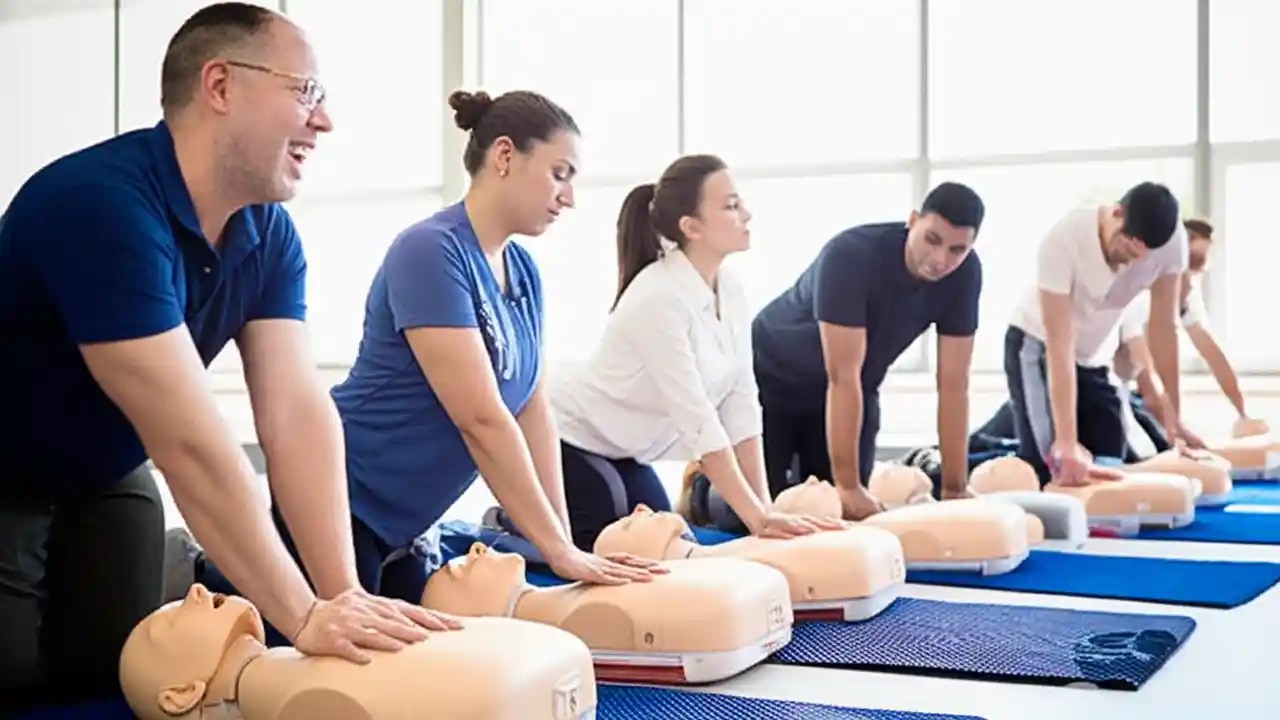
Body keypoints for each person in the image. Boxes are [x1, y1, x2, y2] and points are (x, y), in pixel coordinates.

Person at [0, 3, 441, 710]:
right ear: (220, 85)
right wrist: (300, 617)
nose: (322, 122)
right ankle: (194, 561)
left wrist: (343, 595)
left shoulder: (269, 235)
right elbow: (191, 444)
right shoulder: (98, 206)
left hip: (107, 468)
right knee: (15, 681)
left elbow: (296, 416)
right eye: (307, 92)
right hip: (8, 470)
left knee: (114, 676)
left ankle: (187, 563)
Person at [188, 87, 660, 622]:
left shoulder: (524, 272)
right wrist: (557, 550)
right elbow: (480, 418)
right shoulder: (430, 250)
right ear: (504, 156)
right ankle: (205, 573)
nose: (568, 197)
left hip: (408, 526)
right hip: (341, 500)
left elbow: (531, 411)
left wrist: (566, 544)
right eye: (560, 173)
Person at [534, 154, 841, 549]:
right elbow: (697, 418)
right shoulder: (658, 297)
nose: (746, 214)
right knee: (610, 539)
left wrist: (763, 509)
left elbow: (741, 402)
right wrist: (756, 518)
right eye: (731, 206)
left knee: (666, 535)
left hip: (629, 449)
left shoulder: (730, 289)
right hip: (571, 433)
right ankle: (511, 521)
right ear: (691, 226)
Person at [750, 183, 986, 521]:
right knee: (767, 511)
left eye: (957, 250)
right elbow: (841, 375)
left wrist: (954, 488)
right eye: (932, 240)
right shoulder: (850, 256)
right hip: (774, 374)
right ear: (913, 220)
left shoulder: (965, 275)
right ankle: (702, 488)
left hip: (856, 385)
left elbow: (954, 385)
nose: (940, 260)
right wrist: (847, 487)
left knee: (839, 516)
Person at [1003, 182, 1203, 488]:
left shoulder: (1171, 244)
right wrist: (1066, 441)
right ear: (1117, 213)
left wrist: (1172, 420)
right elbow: (1059, 343)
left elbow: (1164, 328)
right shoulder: (1064, 240)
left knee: (1112, 452)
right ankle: (963, 460)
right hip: (1038, 344)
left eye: (1143, 256)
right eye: (1128, 248)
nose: (1133, 261)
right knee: (1051, 465)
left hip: (1092, 357)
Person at [1113, 217, 1254, 455]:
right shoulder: (1141, 295)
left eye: (1199, 267)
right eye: (1191, 262)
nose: (1191, 277)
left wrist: (1243, 414)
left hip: (1145, 395)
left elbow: (1213, 355)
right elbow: (1149, 370)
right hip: (1121, 393)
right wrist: (1172, 428)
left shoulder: (1186, 297)